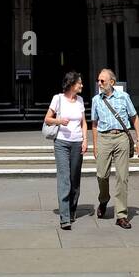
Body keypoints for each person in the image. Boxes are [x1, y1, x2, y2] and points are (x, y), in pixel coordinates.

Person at [91, 69, 139, 228]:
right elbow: (94, 123)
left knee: (122, 177)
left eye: (102, 81)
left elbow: (134, 118)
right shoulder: (96, 100)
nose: (99, 84)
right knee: (101, 174)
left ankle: (121, 215)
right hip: (104, 138)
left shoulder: (124, 97)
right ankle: (104, 199)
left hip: (121, 137)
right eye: (98, 81)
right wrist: (95, 144)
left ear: (112, 82)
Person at [44, 72, 87, 230]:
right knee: (64, 179)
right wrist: (59, 120)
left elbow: (83, 123)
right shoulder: (58, 98)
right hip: (61, 142)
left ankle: (72, 209)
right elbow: (47, 118)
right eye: (79, 83)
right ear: (71, 84)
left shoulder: (80, 100)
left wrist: (85, 140)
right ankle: (64, 218)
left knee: (75, 178)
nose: (82, 85)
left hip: (77, 142)